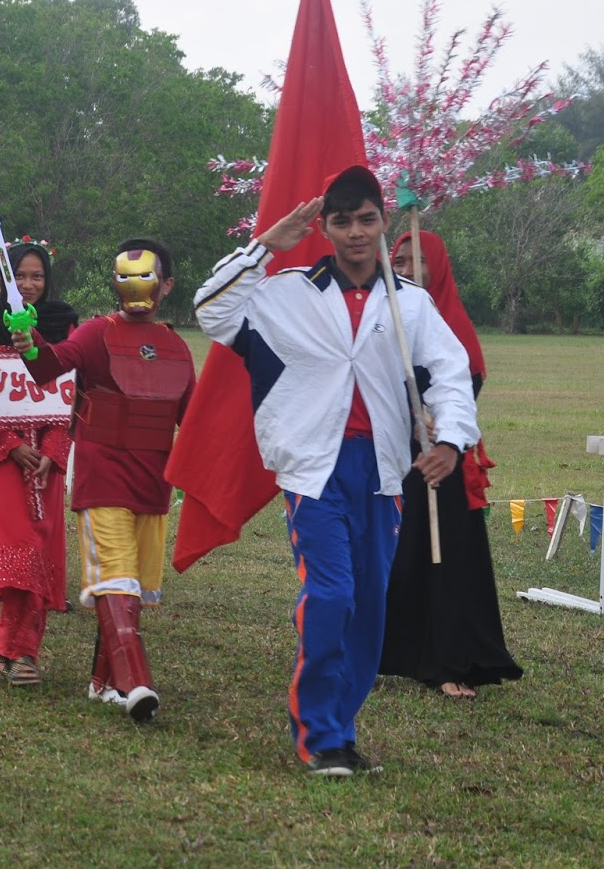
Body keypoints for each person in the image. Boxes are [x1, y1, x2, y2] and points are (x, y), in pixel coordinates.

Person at [193, 166, 479, 775]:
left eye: (367, 219)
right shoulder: (285, 291)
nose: (355, 232)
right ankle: (319, 735)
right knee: (332, 594)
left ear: (382, 224)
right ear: (322, 227)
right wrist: (265, 244)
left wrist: (450, 442)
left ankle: (341, 730)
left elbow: (452, 375)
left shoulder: (410, 304)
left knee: (371, 604)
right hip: (313, 469)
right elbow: (211, 310)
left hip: (381, 471)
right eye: (342, 220)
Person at [14, 237, 193, 722]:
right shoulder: (97, 332)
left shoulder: (178, 346)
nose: (135, 288)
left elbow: (194, 421)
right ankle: (135, 682)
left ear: (167, 285)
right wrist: (29, 342)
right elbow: (47, 368)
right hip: (103, 473)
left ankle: (104, 682)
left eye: (147, 277)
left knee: (131, 584)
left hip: (154, 484)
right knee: (116, 575)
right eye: (125, 277)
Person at [382, 230, 522, 698]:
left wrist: (435, 421)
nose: (404, 269)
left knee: (444, 564)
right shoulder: (392, 314)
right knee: (398, 559)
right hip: (398, 460)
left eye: (415, 261)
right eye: (398, 261)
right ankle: (388, 653)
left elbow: (466, 386)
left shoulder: (451, 322)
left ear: (437, 266)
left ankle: (447, 661)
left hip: (442, 465)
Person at [0, 242, 78, 685]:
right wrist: (9, 444)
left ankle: (16, 652)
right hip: (0, 454)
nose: (28, 284)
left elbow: (71, 390)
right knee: (19, 546)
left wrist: (51, 449)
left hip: (48, 453)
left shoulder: (64, 322)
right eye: (19, 275)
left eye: (37, 276)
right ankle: (18, 652)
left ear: (48, 278)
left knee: (41, 546)